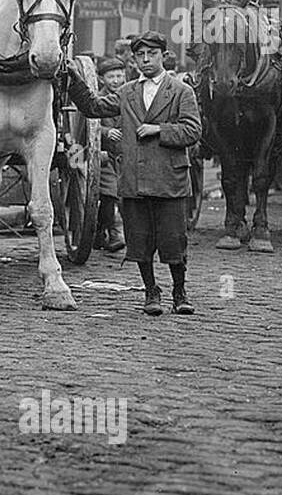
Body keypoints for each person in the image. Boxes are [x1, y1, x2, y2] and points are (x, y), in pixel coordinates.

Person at [66, 31, 203, 316]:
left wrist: (160, 130)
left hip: (169, 179)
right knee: (139, 241)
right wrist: (72, 81)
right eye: (139, 55)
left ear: (162, 56)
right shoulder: (127, 92)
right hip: (134, 179)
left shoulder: (180, 91)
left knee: (173, 240)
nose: (144, 59)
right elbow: (93, 107)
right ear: (133, 59)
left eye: (151, 54)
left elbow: (193, 130)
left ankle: (179, 291)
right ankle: (151, 292)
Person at [93, 56, 127, 253]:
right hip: (102, 154)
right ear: (102, 79)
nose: (116, 80)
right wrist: (106, 132)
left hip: (122, 154)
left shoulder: (128, 94)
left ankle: (98, 232)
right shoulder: (97, 99)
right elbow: (89, 125)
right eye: (111, 76)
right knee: (111, 192)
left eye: (119, 76)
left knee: (117, 194)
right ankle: (113, 232)